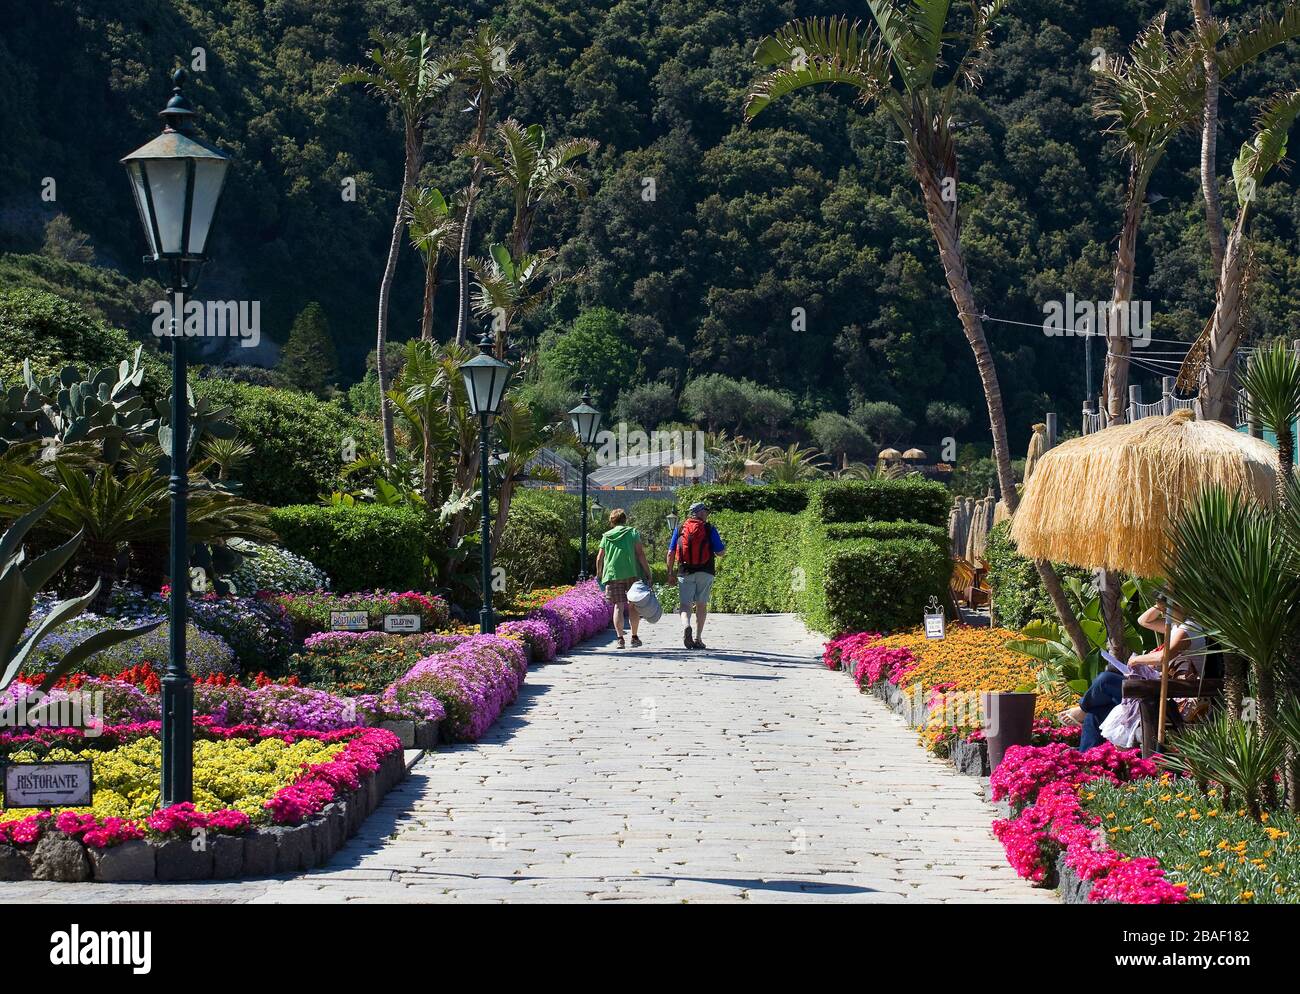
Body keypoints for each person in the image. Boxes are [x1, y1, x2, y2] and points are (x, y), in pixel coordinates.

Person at [1063, 598, 1206, 750]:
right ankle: (1087, 759)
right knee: (1095, 713)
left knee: (1106, 680)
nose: (1164, 612)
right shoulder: (1176, 626)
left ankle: (1082, 709)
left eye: (1167, 607)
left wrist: (1137, 660)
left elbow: (1163, 656)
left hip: (1172, 693)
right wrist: (1159, 605)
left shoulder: (1189, 628)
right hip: (1158, 689)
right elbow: (1144, 621)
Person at [666, 501, 726, 650]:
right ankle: (698, 638)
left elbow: (670, 553)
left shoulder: (680, 528)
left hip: (684, 572)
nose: (707, 514)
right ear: (699, 512)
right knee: (701, 604)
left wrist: (670, 573)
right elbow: (720, 552)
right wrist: (722, 550)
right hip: (706, 572)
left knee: (685, 605)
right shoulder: (709, 528)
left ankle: (686, 625)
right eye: (705, 511)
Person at [595, 508, 653, 649]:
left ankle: (620, 639)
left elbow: (599, 557)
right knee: (633, 605)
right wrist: (648, 572)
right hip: (633, 573)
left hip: (613, 574)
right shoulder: (632, 533)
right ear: (625, 519)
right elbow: (640, 555)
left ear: (612, 521)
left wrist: (599, 573)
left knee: (618, 606)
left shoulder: (606, 536)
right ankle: (634, 637)